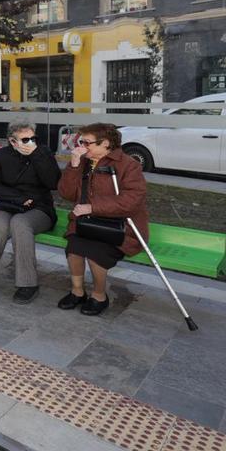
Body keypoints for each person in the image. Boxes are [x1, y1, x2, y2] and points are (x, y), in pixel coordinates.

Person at [56, 123, 149, 316]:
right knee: (74, 249)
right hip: (87, 223)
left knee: (95, 253)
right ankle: (77, 292)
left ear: (105, 143)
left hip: (118, 228)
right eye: (80, 141)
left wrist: (93, 207)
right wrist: (73, 166)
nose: (81, 146)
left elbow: (132, 200)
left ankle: (99, 296)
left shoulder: (128, 165)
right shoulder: (82, 162)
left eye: (86, 142)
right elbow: (66, 193)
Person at [0, 120, 61, 302]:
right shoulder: (2, 156)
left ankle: (27, 283)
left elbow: (53, 183)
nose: (30, 143)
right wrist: (19, 199)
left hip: (39, 208)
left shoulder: (43, 153)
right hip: (10, 204)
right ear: (12, 141)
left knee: (20, 223)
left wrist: (36, 155)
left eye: (33, 138)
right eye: (25, 140)